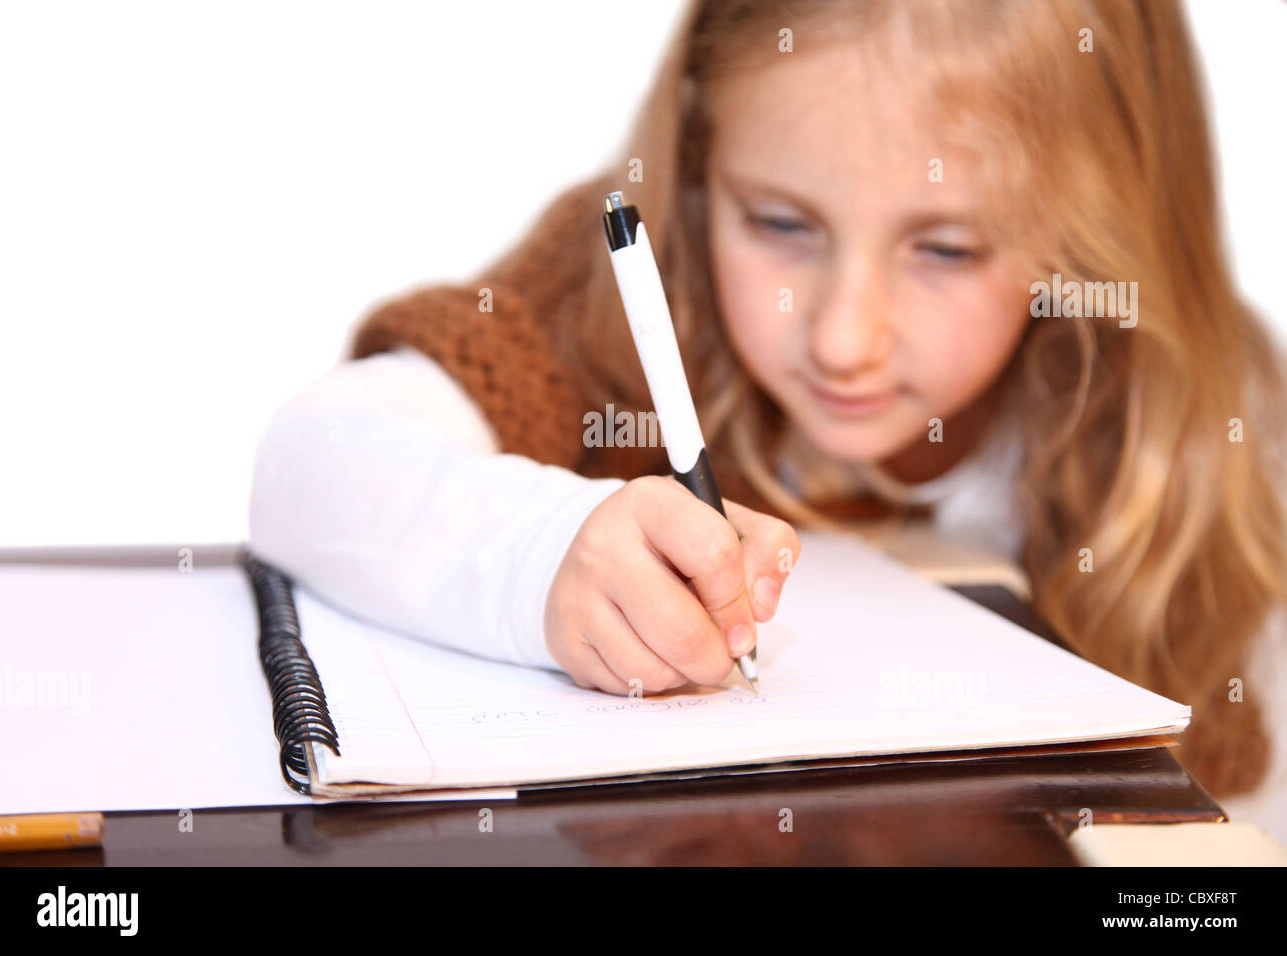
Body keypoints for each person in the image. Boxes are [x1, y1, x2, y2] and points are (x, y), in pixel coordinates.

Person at [250, 0, 1287, 826]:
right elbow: (315, 459)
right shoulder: (612, 293)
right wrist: (540, 554)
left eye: (946, 250)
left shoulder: (1198, 411)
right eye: (781, 223)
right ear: (702, 167)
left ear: (1098, 231)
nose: (842, 336)